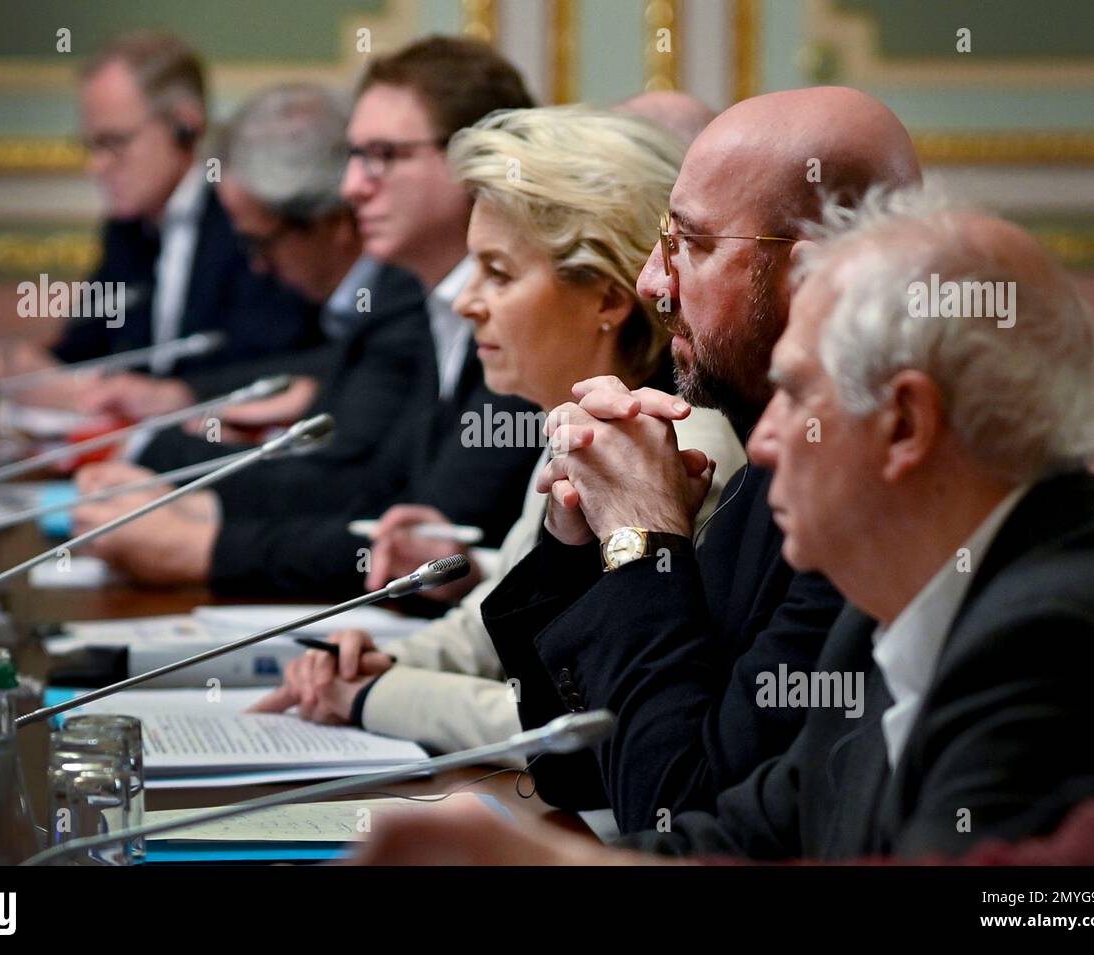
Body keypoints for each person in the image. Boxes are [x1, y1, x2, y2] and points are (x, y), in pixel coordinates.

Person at [351, 188, 1094, 864]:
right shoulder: (904, 604)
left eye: (799, 397)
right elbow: (744, 838)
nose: (769, 441)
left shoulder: (1051, 638)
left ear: (906, 424)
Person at [478, 87, 919, 832]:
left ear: (807, 278)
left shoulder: (865, 519)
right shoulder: (763, 467)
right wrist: (579, 535)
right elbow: (573, 762)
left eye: (691, 244)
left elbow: (676, 810)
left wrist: (645, 537)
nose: (654, 280)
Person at [248, 107, 741, 758]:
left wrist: (371, 696)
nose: (464, 300)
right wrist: (366, 661)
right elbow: (486, 630)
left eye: (499, 273)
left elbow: (584, 718)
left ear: (607, 297)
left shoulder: (672, 442)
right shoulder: (578, 419)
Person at [74, 37, 543, 602]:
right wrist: (198, 503)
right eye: (354, 157)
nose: (350, 188)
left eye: (385, 156)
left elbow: (431, 540)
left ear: (479, 160)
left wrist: (201, 545)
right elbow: (373, 493)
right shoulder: (423, 300)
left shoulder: (526, 318)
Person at [0, 32, 314, 411]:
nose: (95, 165)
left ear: (186, 125)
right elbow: (87, 349)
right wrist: (23, 365)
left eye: (114, 142)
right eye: (89, 145)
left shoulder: (248, 219)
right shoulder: (126, 229)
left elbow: (280, 365)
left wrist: (176, 396)